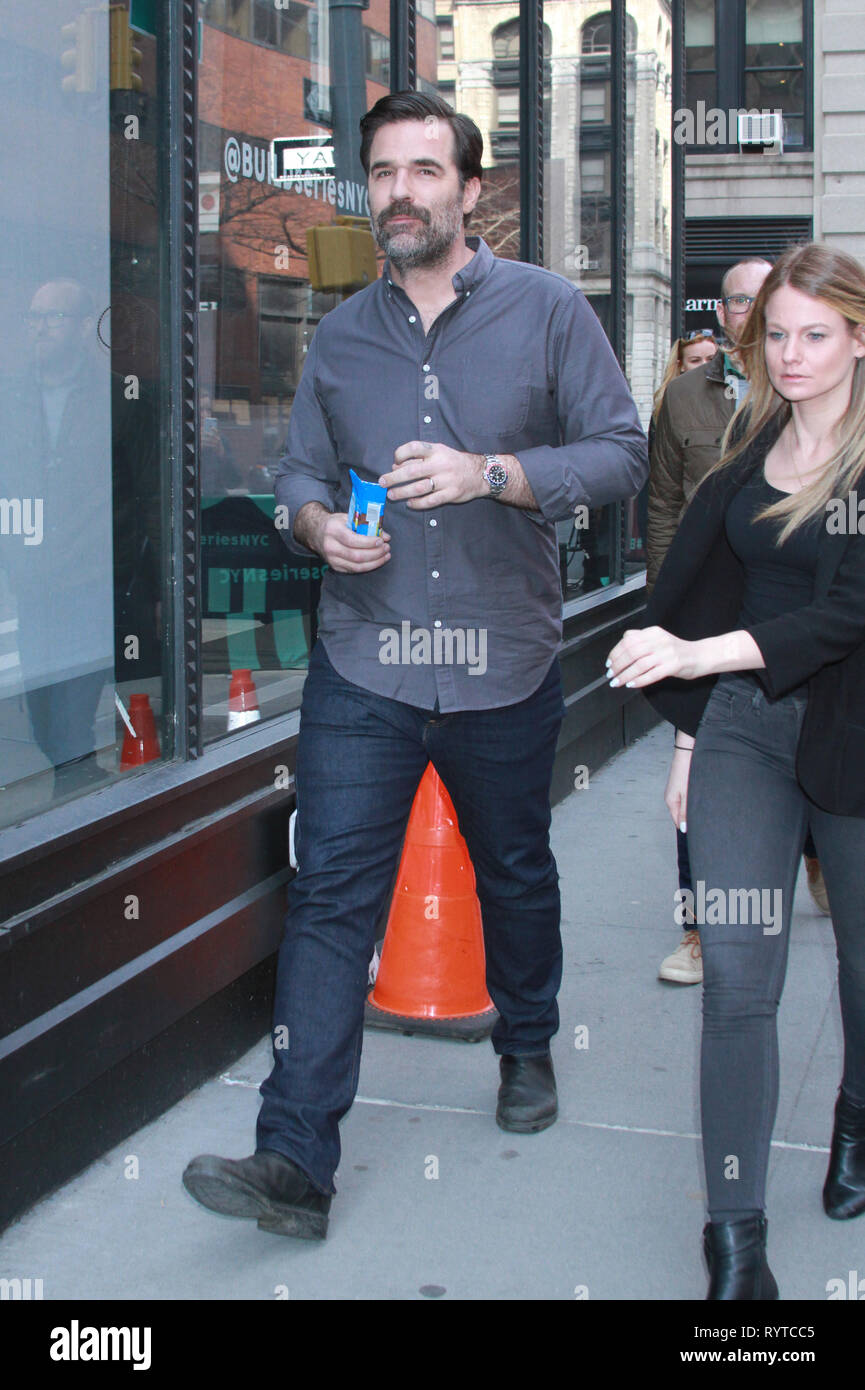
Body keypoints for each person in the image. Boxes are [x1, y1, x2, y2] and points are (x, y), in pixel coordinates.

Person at [182, 90, 648, 1240]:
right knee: (336, 895)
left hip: (501, 658)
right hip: (366, 659)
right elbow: (295, 473)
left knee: (514, 872)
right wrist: (314, 530)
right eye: (383, 171)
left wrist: (493, 474)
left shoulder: (545, 313)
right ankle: (293, 1158)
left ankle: (526, 1043)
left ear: (467, 189)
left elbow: (622, 454)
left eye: (423, 170)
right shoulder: (339, 338)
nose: (400, 191)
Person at [607, 241, 865, 1298]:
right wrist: (687, 735)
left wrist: (696, 660)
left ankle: (855, 1112)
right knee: (737, 988)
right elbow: (704, 592)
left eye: (819, 334)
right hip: (745, 732)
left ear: (856, 337)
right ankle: (734, 1244)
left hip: (853, 738)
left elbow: (846, 611)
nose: (794, 354)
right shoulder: (747, 447)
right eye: (780, 334)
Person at [649, 261, 775, 986]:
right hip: (706, 616)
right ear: (721, 312)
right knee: (692, 774)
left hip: (790, 613)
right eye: (736, 300)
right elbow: (662, 503)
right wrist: (666, 611)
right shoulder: (684, 398)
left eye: (763, 299)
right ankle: (698, 930)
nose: (749, 311)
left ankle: (814, 853)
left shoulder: (809, 390)